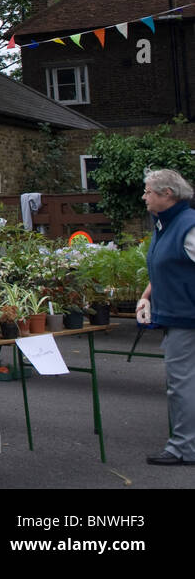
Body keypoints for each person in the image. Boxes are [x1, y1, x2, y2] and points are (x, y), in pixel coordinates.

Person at [137, 169, 195, 466]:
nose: (144, 196)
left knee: (181, 383)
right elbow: (167, 264)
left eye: (148, 191)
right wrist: (148, 293)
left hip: (186, 317)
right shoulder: (166, 225)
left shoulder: (188, 226)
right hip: (178, 314)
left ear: (167, 194)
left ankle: (183, 448)